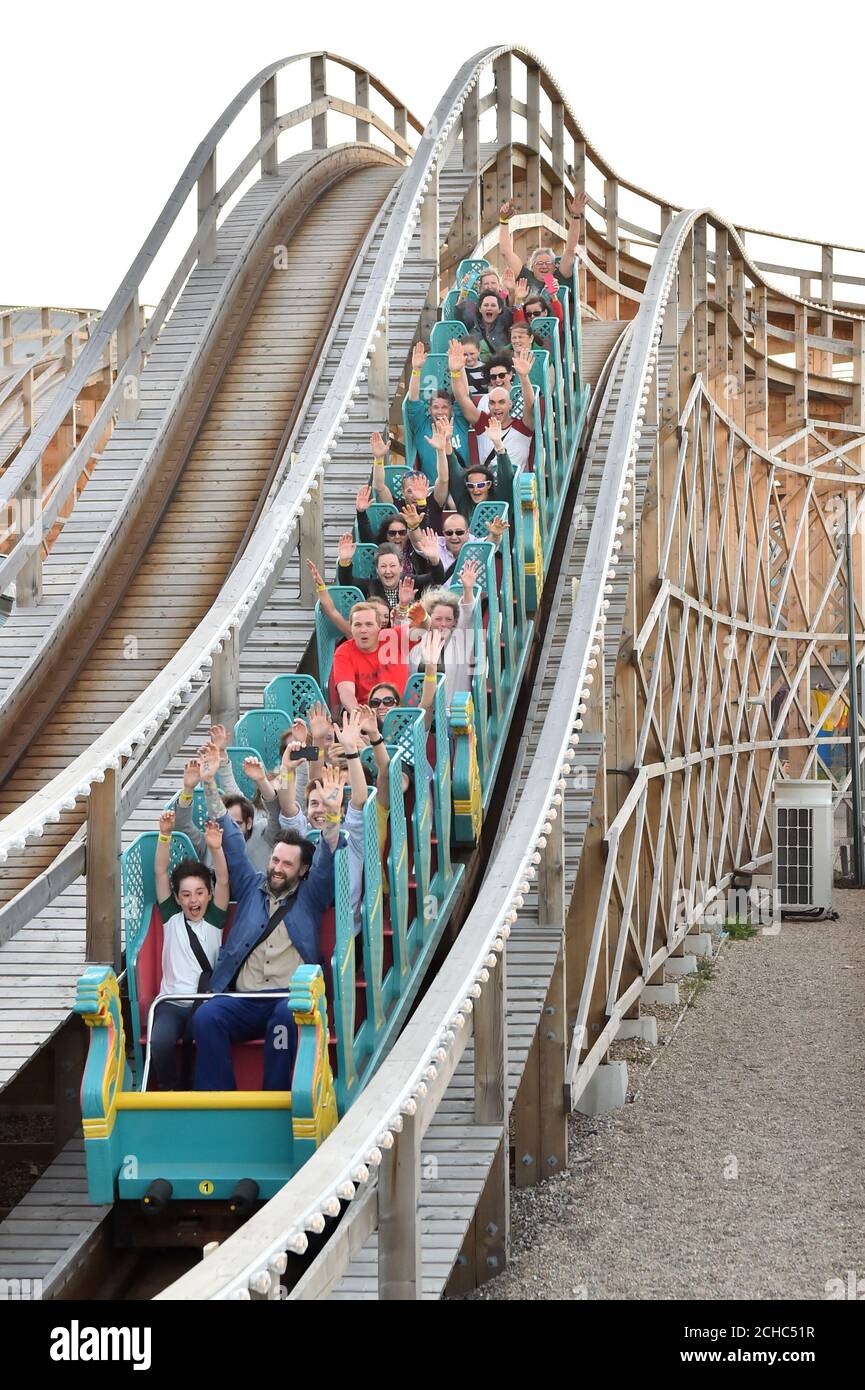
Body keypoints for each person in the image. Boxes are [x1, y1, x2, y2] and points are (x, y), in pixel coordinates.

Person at [191, 762, 345, 1091]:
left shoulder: (311, 894)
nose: (277, 868)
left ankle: (273, 1099)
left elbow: (328, 859)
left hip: (286, 999)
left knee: (284, 1020)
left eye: (287, 863)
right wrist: (208, 784)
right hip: (244, 999)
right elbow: (232, 842)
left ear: (302, 870)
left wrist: (333, 816)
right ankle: (220, 1102)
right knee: (205, 1018)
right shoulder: (251, 885)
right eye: (275, 859)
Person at [150, 813, 229, 1090]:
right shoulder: (172, 917)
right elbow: (160, 873)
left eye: (199, 893)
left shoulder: (214, 919)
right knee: (159, 1043)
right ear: (177, 898)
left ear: (208, 894)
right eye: (186, 894)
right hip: (171, 1003)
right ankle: (171, 1089)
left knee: (206, 1041)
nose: (193, 900)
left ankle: (199, 1090)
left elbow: (223, 879)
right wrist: (164, 836)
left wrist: (216, 849)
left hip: (204, 1002)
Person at [278, 710, 371, 938]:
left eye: (326, 804)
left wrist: (351, 750)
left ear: (340, 809)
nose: (319, 809)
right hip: (304, 931)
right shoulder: (303, 834)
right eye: (313, 804)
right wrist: (286, 770)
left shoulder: (352, 835)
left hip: (347, 934)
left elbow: (359, 797)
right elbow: (288, 805)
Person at [450, 339, 537, 473]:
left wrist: (524, 377)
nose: (496, 407)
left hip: (517, 484)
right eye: (492, 403)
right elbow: (462, 397)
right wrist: (456, 372)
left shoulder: (523, 426)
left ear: (510, 404)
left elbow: (530, 405)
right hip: (489, 485)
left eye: (501, 402)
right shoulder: (483, 423)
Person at [410, 561, 480, 705]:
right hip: (422, 712)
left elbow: (467, 613)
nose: (443, 624)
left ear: (455, 621)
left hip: (452, 715)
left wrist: (467, 590)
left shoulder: (459, 639)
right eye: (438, 619)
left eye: (448, 619)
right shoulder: (418, 641)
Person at [498, 190, 587, 293]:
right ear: (532, 267)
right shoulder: (525, 277)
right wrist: (504, 222)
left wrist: (575, 217)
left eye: (548, 263)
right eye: (539, 263)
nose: (544, 266)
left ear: (554, 267)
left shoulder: (560, 275)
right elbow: (506, 252)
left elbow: (571, 249)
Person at [404, 342, 471, 479]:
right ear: (429, 410)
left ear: (451, 409)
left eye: (444, 407)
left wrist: (458, 369)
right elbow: (413, 398)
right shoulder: (422, 425)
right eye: (435, 407)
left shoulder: (459, 421)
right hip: (433, 489)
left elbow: (463, 395)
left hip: (460, 486)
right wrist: (416, 370)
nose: (440, 411)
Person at [331, 601, 409, 711]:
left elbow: (423, 629)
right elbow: (346, 693)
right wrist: (360, 716)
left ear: (379, 626)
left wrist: (424, 618)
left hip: (402, 712)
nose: (363, 630)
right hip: (368, 713)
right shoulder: (343, 652)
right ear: (351, 628)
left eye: (369, 624)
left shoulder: (394, 638)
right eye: (357, 625)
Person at [336, 536, 444, 611]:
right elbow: (347, 582)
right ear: (377, 569)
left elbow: (436, 579)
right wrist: (345, 561)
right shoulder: (371, 585)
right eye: (383, 566)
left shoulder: (411, 582)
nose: (388, 571)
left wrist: (434, 560)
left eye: (392, 566)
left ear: (401, 567)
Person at [370, 431, 448, 533]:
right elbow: (379, 486)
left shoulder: (435, 501)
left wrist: (441, 451)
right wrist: (379, 459)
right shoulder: (397, 507)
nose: (415, 495)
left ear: (427, 487)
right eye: (410, 491)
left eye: (419, 489)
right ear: (402, 492)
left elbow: (443, 479)